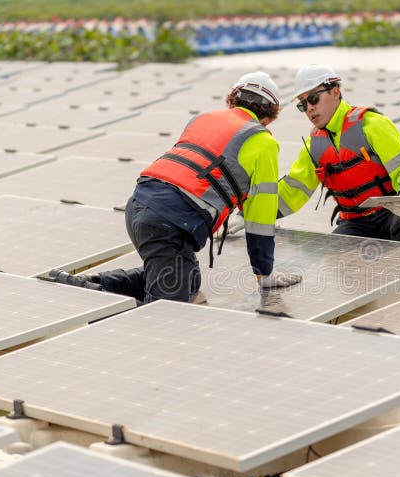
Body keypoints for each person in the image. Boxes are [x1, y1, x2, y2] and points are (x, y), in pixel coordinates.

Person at [50, 71, 302, 303]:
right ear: (269, 117)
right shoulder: (262, 141)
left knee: (188, 281)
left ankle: (91, 285)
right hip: (169, 223)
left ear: (231, 101)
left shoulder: (203, 119)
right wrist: (264, 274)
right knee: (165, 310)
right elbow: (260, 216)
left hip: (140, 205)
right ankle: (86, 297)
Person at [276, 64, 400, 245]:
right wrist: (250, 214)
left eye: (313, 98)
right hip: (356, 223)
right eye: (302, 104)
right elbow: (291, 191)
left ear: (335, 92)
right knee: (336, 253)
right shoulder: (313, 146)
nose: (309, 108)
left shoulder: (371, 124)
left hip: (394, 212)